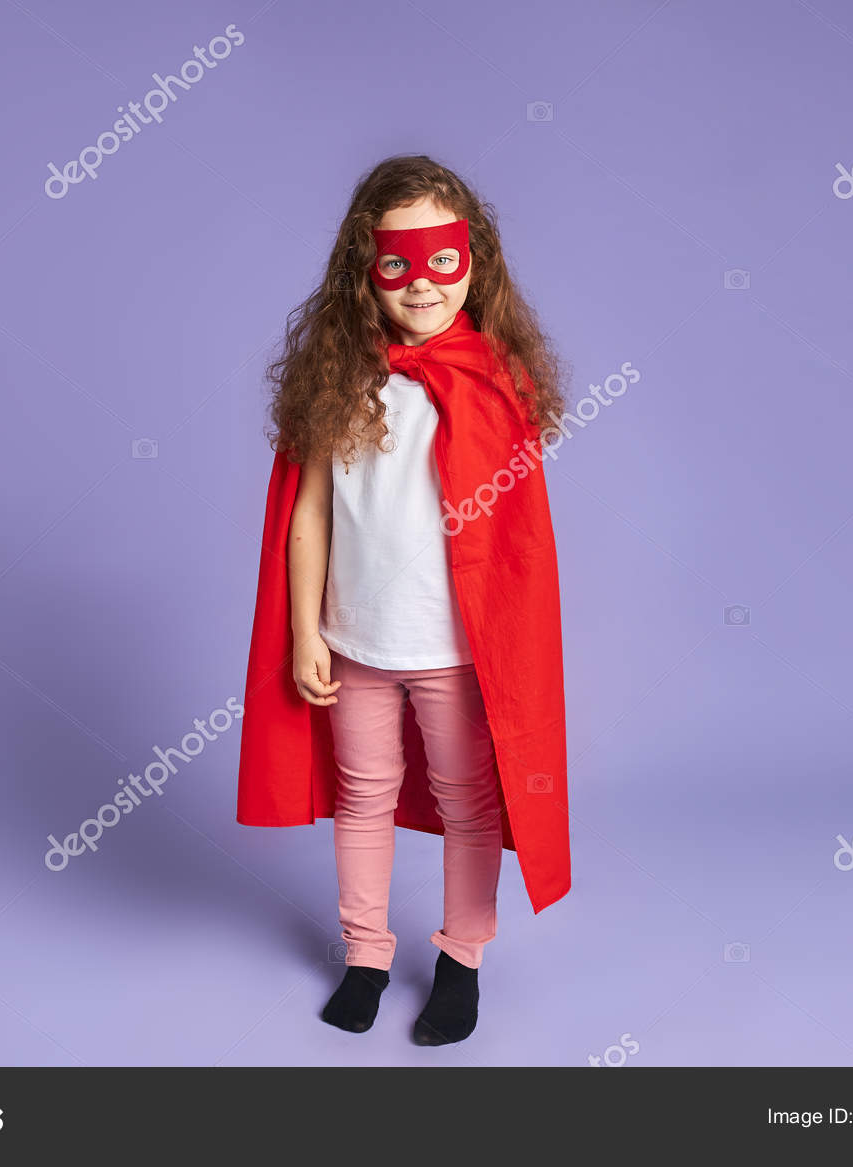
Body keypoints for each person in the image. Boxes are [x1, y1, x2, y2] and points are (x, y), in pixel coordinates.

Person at [236, 154, 572, 1045]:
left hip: (458, 650)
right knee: (363, 794)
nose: (421, 286)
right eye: (397, 263)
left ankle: (461, 959)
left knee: (471, 803)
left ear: (476, 261)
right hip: (357, 641)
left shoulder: (498, 380)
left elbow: (515, 550)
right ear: (365, 268)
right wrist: (305, 629)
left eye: (442, 260)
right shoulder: (339, 379)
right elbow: (306, 518)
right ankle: (366, 953)